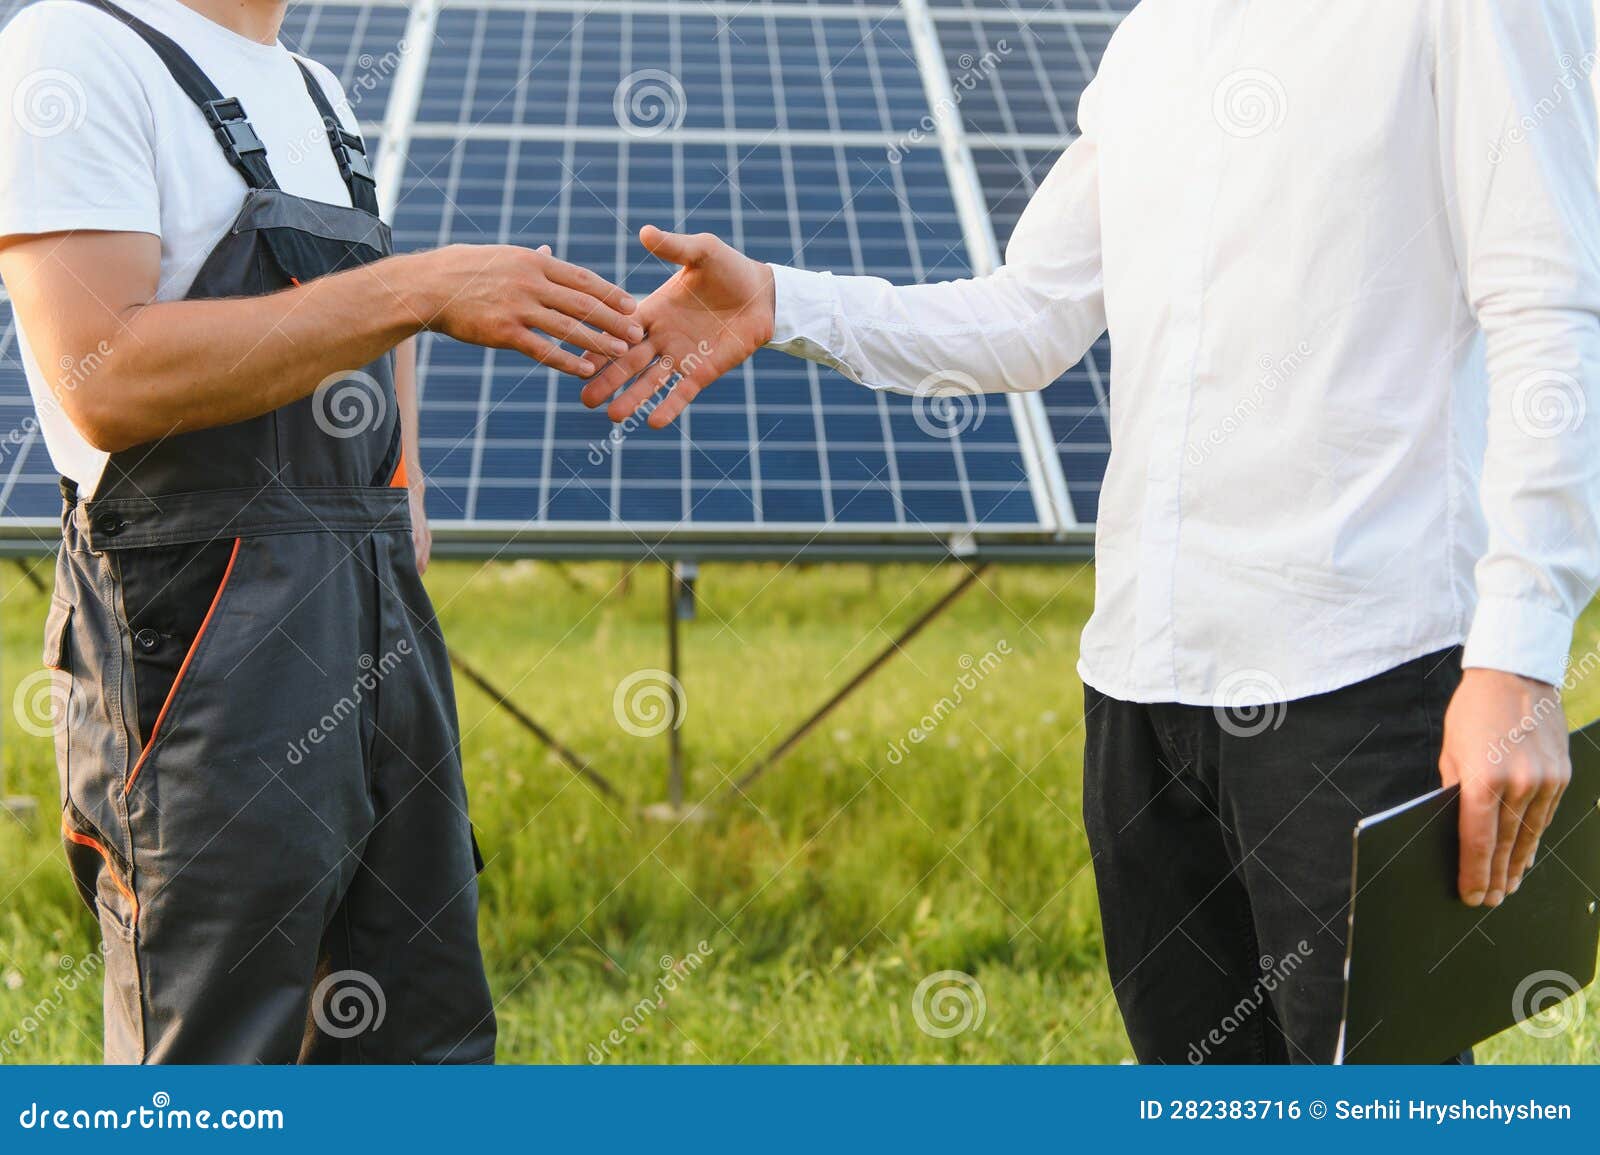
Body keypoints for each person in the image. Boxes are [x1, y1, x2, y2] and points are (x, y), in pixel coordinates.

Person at [582, 1, 1600, 1063]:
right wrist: (781, 303)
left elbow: (1551, 308)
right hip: (1140, 694)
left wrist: (1520, 661)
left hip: (1354, 677)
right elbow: (1027, 316)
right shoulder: (1154, 36)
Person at [0, 0, 640, 1063]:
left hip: (370, 600)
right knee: (217, 1047)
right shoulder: (76, 49)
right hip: (202, 627)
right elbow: (100, 372)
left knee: (415, 1030)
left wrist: (403, 486)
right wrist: (424, 283)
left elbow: (369, 317)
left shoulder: (314, 88)